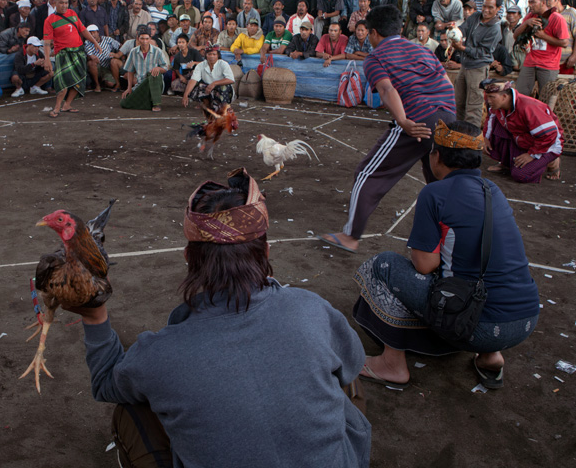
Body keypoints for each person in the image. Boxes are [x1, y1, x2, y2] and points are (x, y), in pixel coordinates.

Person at [69, 167, 370, 468]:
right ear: (265, 251)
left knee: (131, 411)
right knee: (339, 377)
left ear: (189, 257)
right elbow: (353, 361)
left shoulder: (158, 354)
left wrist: (95, 315)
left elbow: (106, 382)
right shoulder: (311, 309)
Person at [352, 120, 539, 390]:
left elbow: (425, 265)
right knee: (485, 273)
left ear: (437, 156)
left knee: (383, 265)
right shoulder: (493, 191)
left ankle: (392, 364)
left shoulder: (435, 193)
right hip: (526, 320)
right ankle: (491, 357)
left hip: (478, 326)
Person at [316, 5, 456, 254]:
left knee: (367, 174)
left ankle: (350, 236)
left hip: (418, 120)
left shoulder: (375, 57)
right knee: (438, 180)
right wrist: (445, 120)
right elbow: (447, 83)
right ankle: (451, 236)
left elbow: (387, 89)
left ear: (373, 33)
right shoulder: (423, 50)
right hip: (447, 118)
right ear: (399, 28)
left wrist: (403, 121)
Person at [483, 80, 563, 182]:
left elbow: (549, 135)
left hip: (548, 145)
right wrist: (486, 138)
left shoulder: (529, 107)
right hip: (522, 138)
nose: (488, 100)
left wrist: (532, 154)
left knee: (520, 175)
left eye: (492, 97)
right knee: (496, 124)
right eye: (487, 96)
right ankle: (506, 163)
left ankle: (551, 161)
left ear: (504, 97)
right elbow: (490, 118)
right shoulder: (497, 106)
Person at [44, 0, 102, 116]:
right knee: (63, 81)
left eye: (66, 3)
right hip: (63, 54)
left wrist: (95, 43)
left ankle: (67, 104)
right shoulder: (50, 20)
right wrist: (47, 59)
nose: (64, 5)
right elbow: (47, 42)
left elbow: (83, 30)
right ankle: (57, 107)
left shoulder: (73, 14)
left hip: (78, 52)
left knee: (79, 80)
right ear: (55, 3)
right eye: (61, 3)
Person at [452, 0, 503, 125]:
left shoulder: (495, 28)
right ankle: (457, 133)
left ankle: (470, 138)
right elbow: (463, 28)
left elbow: (482, 52)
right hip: (465, 65)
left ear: (498, 8)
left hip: (478, 68)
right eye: (484, 6)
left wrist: (462, 48)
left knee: (473, 106)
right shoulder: (475, 16)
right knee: (458, 102)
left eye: (490, 7)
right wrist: (455, 32)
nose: (486, 10)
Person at [513, 0, 570, 96]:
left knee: (546, 96)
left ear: (543, 2)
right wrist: (526, 23)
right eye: (529, 2)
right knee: (520, 94)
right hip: (530, 61)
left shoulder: (557, 18)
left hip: (548, 64)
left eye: (533, 2)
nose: (530, 5)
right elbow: (515, 35)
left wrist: (544, 36)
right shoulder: (531, 16)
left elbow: (565, 42)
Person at [120, 25, 168, 112]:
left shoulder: (157, 51)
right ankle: (149, 104)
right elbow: (130, 71)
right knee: (124, 102)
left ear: (150, 38)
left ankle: (156, 104)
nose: (144, 41)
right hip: (141, 84)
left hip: (156, 84)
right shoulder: (133, 51)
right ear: (138, 38)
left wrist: (158, 68)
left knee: (153, 74)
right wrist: (129, 88)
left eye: (146, 38)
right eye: (142, 38)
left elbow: (165, 67)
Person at [84, 24, 123, 92]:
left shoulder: (107, 39)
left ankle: (107, 81)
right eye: (90, 33)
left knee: (110, 84)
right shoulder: (87, 43)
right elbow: (88, 55)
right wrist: (91, 57)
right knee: (91, 63)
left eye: (94, 32)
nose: (92, 35)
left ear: (98, 32)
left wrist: (118, 55)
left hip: (107, 67)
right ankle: (97, 85)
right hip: (97, 67)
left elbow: (121, 46)